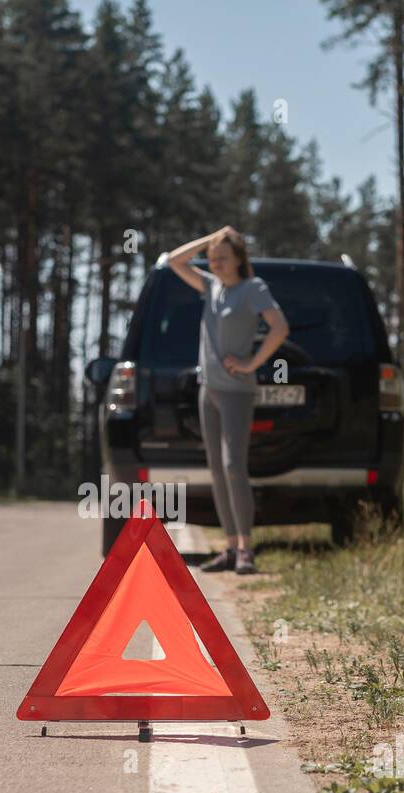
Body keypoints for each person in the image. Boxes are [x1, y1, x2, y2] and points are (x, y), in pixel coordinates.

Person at [167, 226, 289, 574]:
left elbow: (280, 328)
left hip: (237, 391)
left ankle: (247, 549)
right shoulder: (211, 286)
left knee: (235, 465)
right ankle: (230, 547)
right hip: (210, 390)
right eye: (213, 258)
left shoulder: (253, 289)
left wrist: (252, 362)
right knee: (218, 471)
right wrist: (209, 239)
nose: (215, 262)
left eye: (223, 257)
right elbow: (174, 260)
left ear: (239, 259)